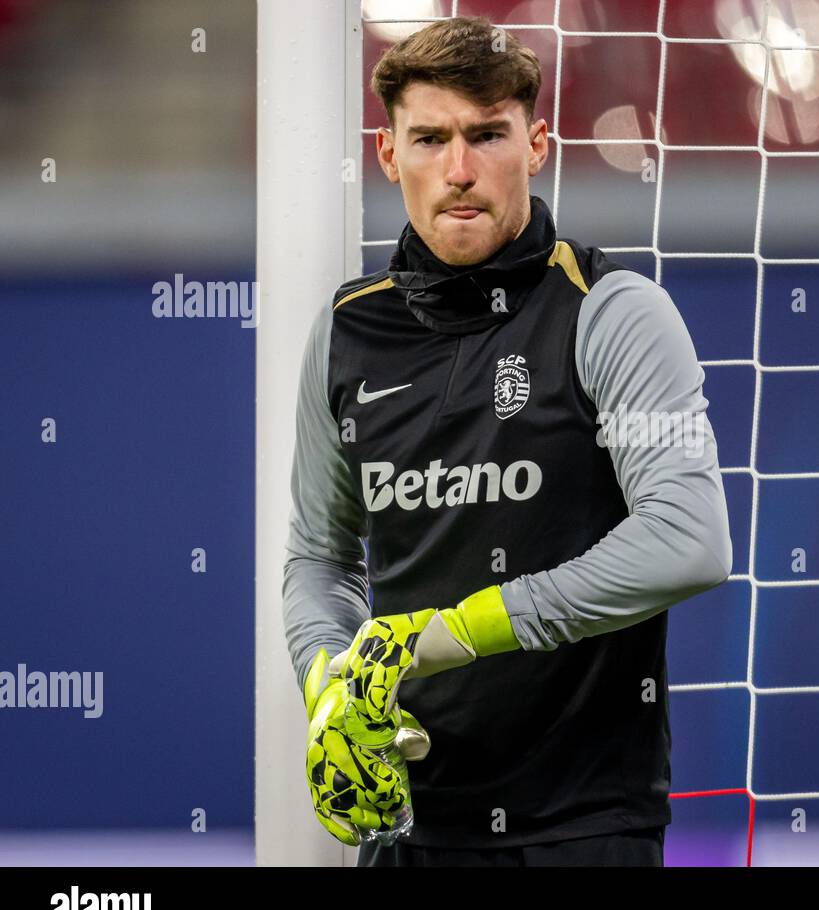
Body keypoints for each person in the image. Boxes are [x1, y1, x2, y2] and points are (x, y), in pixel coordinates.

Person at [282, 15, 731, 867]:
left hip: (582, 828)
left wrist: (442, 634)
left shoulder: (612, 310)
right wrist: (328, 682)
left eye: (487, 135)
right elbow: (319, 556)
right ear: (388, 154)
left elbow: (689, 539)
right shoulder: (345, 332)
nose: (459, 170)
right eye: (430, 139)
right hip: (410, 821)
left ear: (536, 145)